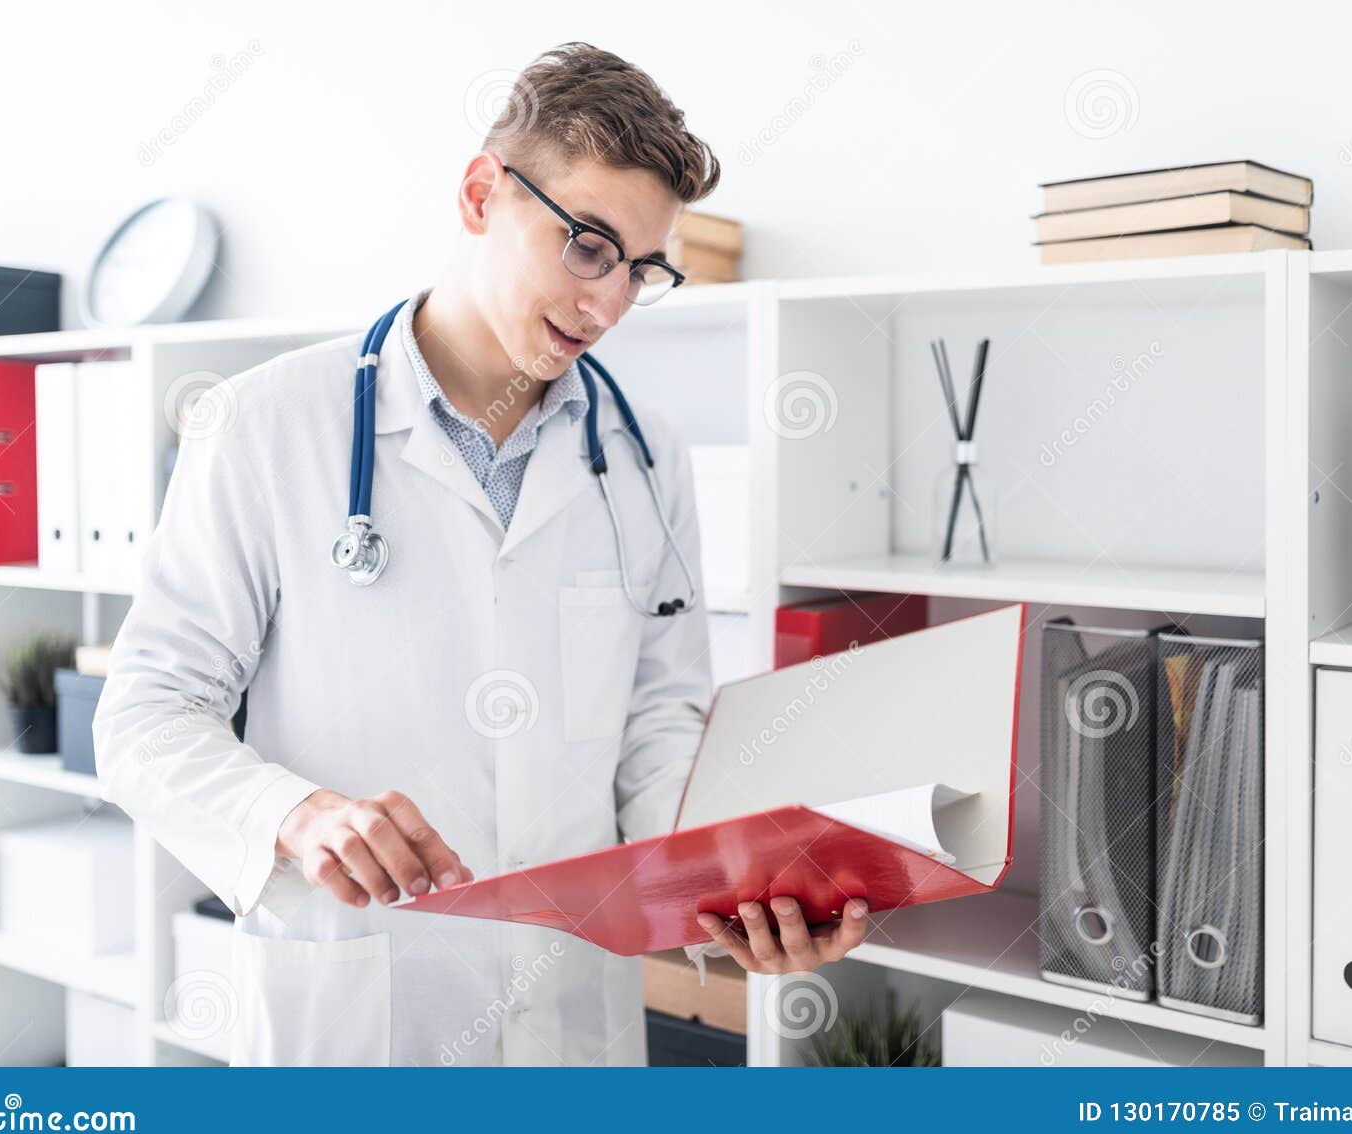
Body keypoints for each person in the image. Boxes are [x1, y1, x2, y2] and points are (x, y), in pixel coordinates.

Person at [93, 41, 869, 1067]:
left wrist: (732, 881)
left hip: (571, 1012)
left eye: (643, 271)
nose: (609, 305)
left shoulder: (645, 457)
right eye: (588, 247)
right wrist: (297, 813)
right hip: (362, 1005)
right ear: (479, 194)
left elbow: (661, 718)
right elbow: (145, 713)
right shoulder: (266, 423)